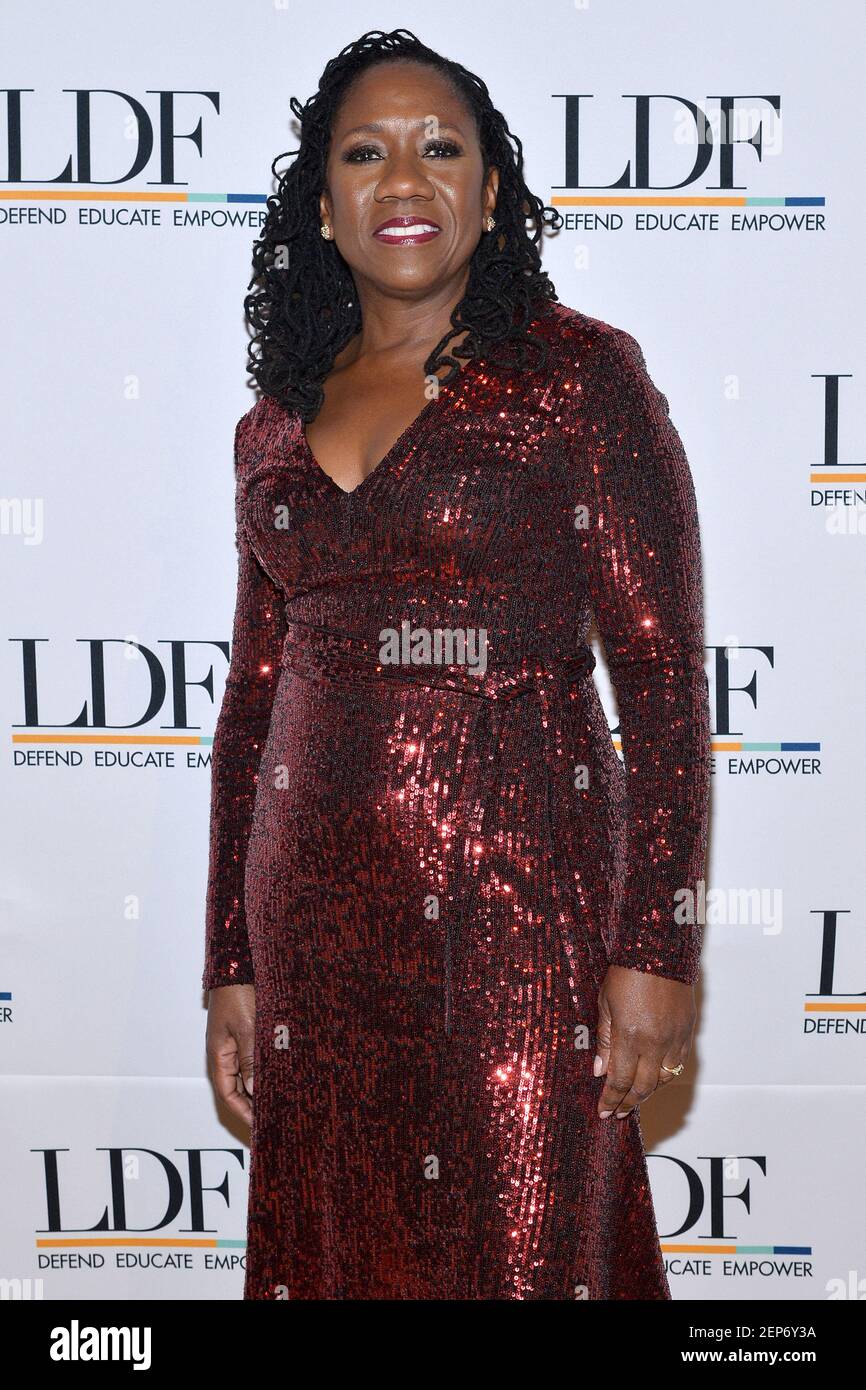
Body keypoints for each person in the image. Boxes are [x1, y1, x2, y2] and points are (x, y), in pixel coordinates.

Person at [202, 27, 711, 1300]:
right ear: (321, 208)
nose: (404, 180)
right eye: (364, 154)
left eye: (442, 149)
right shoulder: (272, 421)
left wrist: (653, 945)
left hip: (519, 917)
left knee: (527, 1247)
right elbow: (252, 705)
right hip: (312, 931)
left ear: (491, 192)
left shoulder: (579, 378)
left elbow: (655, 677)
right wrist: (229, 961)